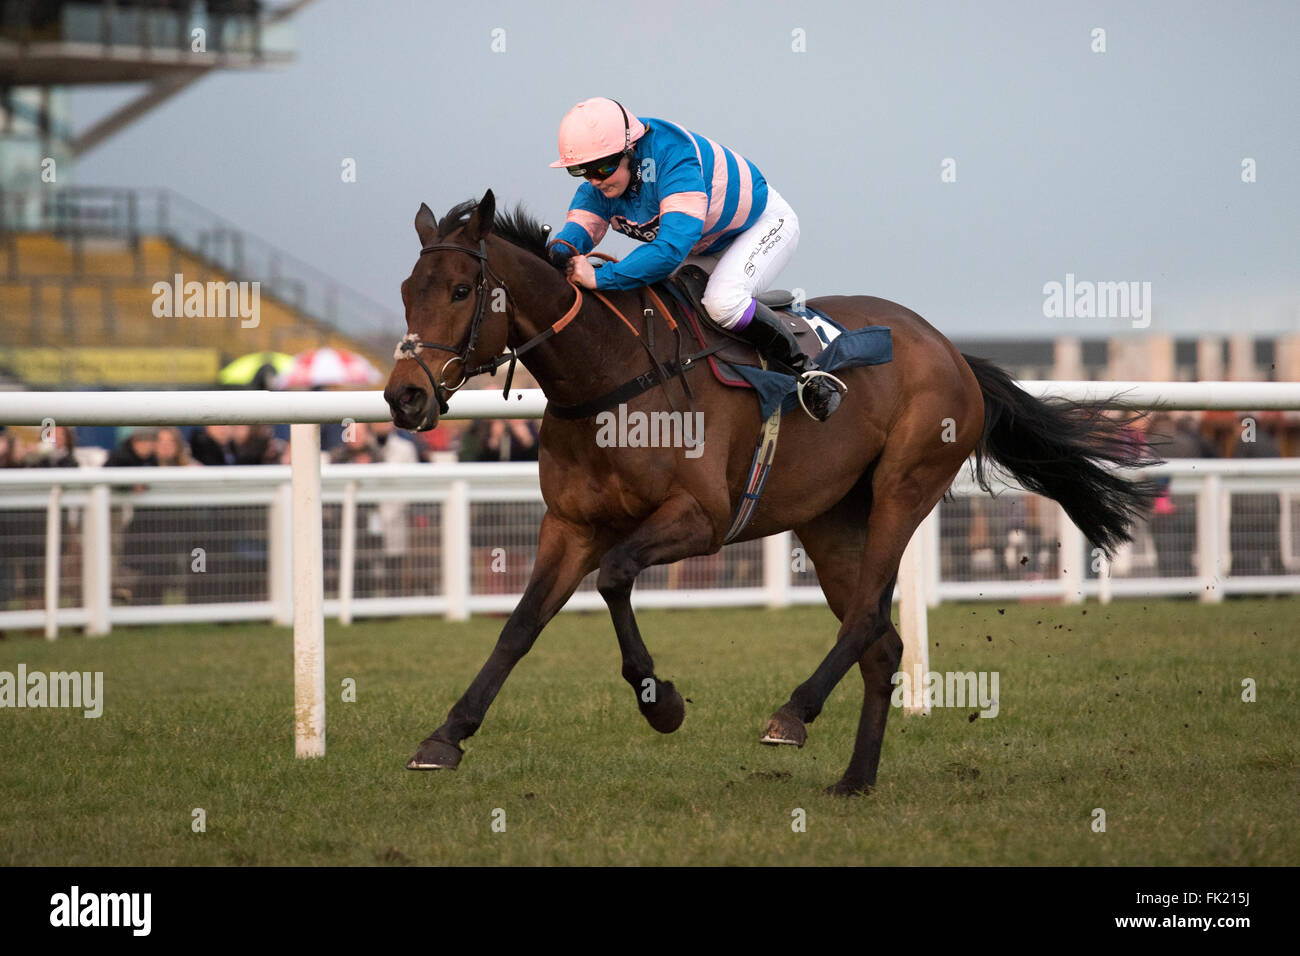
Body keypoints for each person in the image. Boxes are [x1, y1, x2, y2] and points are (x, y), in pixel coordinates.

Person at [546, 97, 844, 421]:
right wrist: (551, 259)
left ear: (630, 151)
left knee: (722, 302)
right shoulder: (600, 182)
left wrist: (601, 277)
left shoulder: (672, 155)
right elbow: (578, 233)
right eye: (581, 171)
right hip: (701, 244)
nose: (596, 180)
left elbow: (669, 249)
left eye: (603, 167)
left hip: (760, 226)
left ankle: (808, 374)